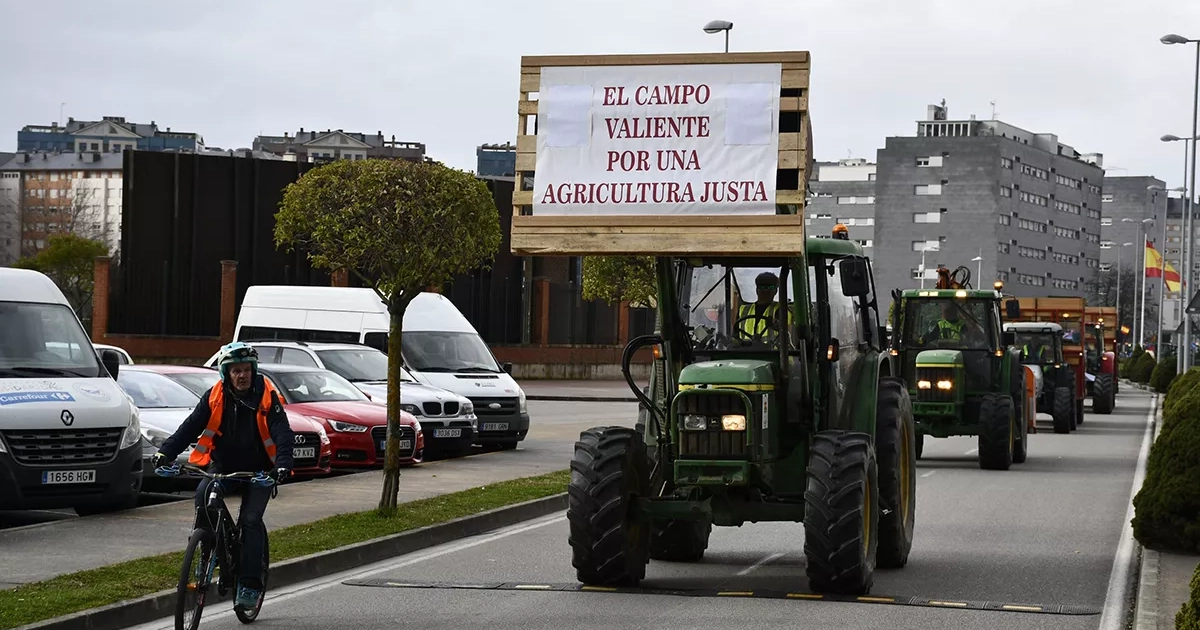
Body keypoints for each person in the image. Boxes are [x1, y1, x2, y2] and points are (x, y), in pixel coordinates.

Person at [151, 342, 294, 610]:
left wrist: (283, 465)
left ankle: (250, 584)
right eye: (235, 371)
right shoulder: (214, 395)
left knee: (250, 521)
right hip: (223, 466)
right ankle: (209, 551)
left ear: (253, 371)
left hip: (259, 471)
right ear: (226, 374)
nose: (242, 376)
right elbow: (190, 427)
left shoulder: (266, 395)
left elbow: (282, 432)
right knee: (204, 497)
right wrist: (165, 453)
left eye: (246, 370)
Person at [736, 272, 789, 341]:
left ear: (775, 291)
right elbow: (735, 334)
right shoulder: (743, 310)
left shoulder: (782, 309)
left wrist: (778, 326)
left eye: (770, 287)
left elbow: (787, 330)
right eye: (762, 287)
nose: (765, 291)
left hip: (772, 351)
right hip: (745, 351)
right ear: (757, 290)